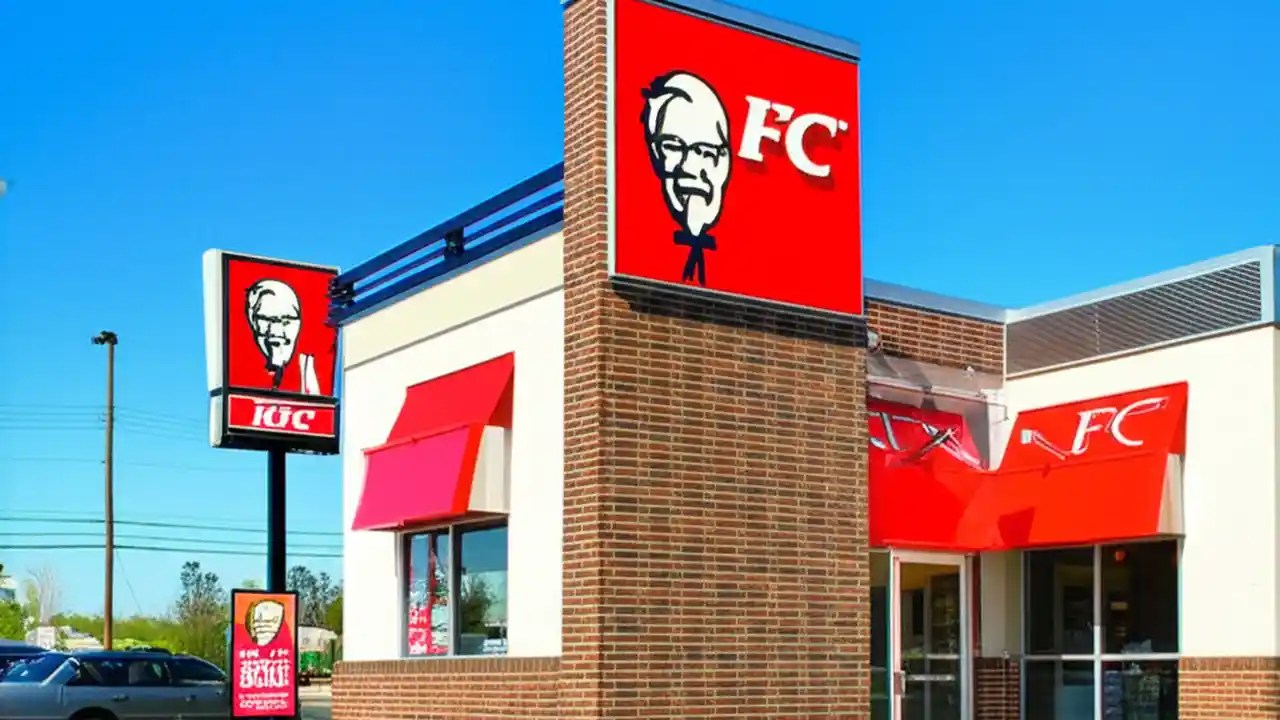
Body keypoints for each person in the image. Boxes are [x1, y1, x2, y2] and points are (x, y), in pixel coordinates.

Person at [640, 71, 732, 286]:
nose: (688, 167)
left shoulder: (755, 256)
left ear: (725, 161)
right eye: (672, 146)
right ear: (655, 154)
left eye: (705, 151)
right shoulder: (639, 244)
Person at [245, 279, 320, 394]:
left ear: (300, 322)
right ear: (252, 321)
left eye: (287, 320)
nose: (276, 332)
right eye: (266, 319)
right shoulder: (238, 371)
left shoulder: (310, 374)